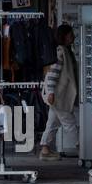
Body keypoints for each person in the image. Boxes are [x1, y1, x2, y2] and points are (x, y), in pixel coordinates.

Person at [39, 25, 80, 160]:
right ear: (64, 36)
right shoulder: (61, 52)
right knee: (70, 123)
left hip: (59, 95)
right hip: (59, 95)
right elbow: (52, 74)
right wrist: (50, 92)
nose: (73, 36)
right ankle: (82, 148)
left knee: (53, 122)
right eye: (70, 34)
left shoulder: (66, 51)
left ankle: (45, 149)